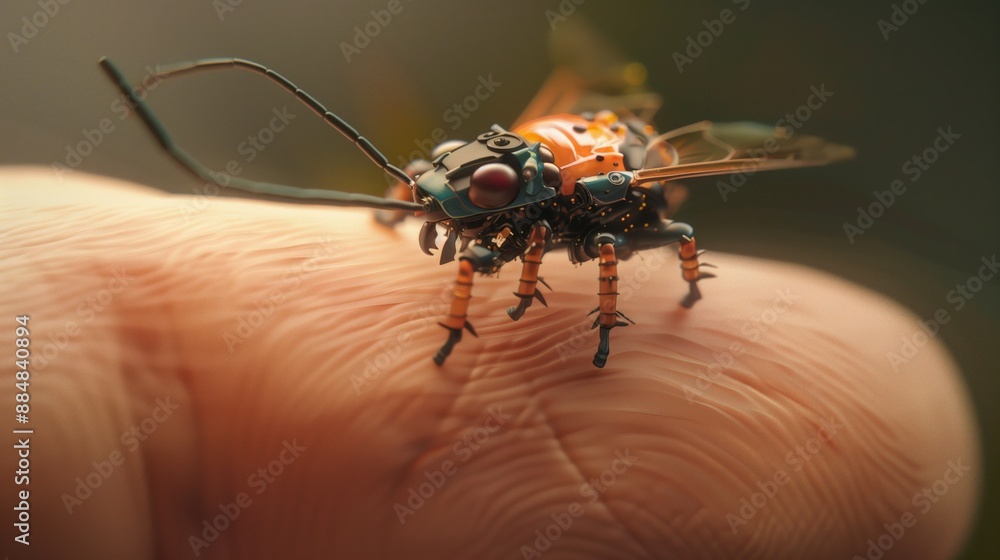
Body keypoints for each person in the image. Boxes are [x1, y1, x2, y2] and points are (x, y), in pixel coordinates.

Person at [1, 168, 979, 559]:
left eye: (475, 192)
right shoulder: (492, 201)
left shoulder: (588, 207)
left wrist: (633, 310)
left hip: (615, 215)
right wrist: (408, 208)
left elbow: (617, 232)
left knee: (621, 245)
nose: (453, 211)